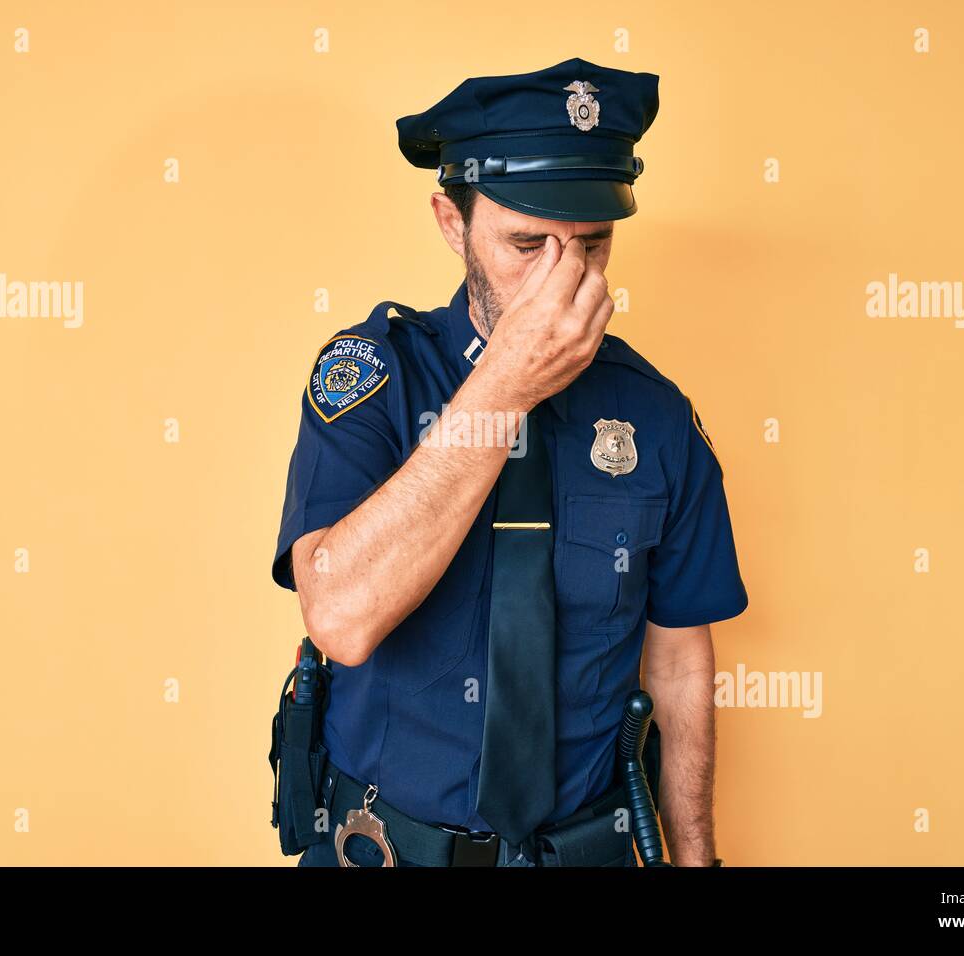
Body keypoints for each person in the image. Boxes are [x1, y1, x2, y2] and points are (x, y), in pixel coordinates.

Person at [272, 57, 747, 867]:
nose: (564, 280)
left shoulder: (657, 416)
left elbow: (675, 657)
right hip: (385, 849)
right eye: (527, 243)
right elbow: (341, 618)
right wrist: (504, 387)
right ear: (453, 225)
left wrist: (695, 855)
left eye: (592, 246)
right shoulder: (371, 377)